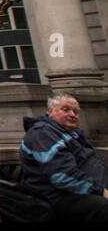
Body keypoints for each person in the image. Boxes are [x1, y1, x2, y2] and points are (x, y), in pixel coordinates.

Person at [20, 93, 108, 221]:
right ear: (50, 111)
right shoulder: (43, 133)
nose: (72, 115)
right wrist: (101, 191)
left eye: (76, 112)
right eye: (66, 110)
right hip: (58, 197)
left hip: (85, 191)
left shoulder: (72, 135)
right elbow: (62, 176)